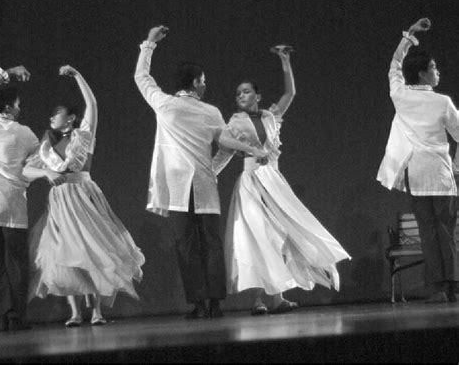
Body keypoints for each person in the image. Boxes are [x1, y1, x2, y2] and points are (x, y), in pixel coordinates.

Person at [134, 26, 268, 319]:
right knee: (212, 246)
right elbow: (226, 146)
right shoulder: (211, 113)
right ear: (195, 83)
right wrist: (214, 169)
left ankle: (198, 303)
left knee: (187, 246)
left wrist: (149, 44)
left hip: (179, 190)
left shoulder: (165, 105)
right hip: (205, 187)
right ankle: (216, 303)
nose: (205, 85)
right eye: (203, 81)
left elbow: (141, 78)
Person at [213, 46, 351, 315]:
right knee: (255, 237)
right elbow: (222, 150)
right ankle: (258, 299)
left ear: (258, 95)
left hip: (274, 182)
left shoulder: (270, 117)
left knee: (281, 237)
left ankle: (278, 298)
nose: (241, 96)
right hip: (251, 183)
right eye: (238, 93)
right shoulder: (235, 122)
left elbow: (291, 94)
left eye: (246, 91)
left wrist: (285, 62)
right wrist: (207, 177)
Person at [26, 65, 145, 327]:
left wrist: (78, 75)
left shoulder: (83, 136)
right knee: (65, 254)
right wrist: (45, 173)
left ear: (70, 118)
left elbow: (92, 103)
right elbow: (26, 168)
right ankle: (75, 312)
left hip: (82, 196)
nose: (51, 119)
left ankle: (98, 312)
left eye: (56, 115)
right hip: (60, 201)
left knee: (90, 249)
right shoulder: (46, 146)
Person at [377, 18, 459, 303]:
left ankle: (439, 288)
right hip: (439, 173)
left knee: (429, 232)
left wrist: (409, 37)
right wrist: (457, 163)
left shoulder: (400, 95)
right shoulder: (442, 102)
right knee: (445, 231)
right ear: (423, 74)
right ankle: (452, 286)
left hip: (417, 175)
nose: (438, 71)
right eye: (434, 68)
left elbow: (394, 66)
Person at [0, 66, 62, 331]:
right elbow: (32, 167)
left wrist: (4, 74)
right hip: (14, 205)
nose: (20, 108)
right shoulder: (26, 133)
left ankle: (0, 316)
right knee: (16, 263)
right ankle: (16, 315)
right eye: (17, 104)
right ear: (7, 107)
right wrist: (45, 172)